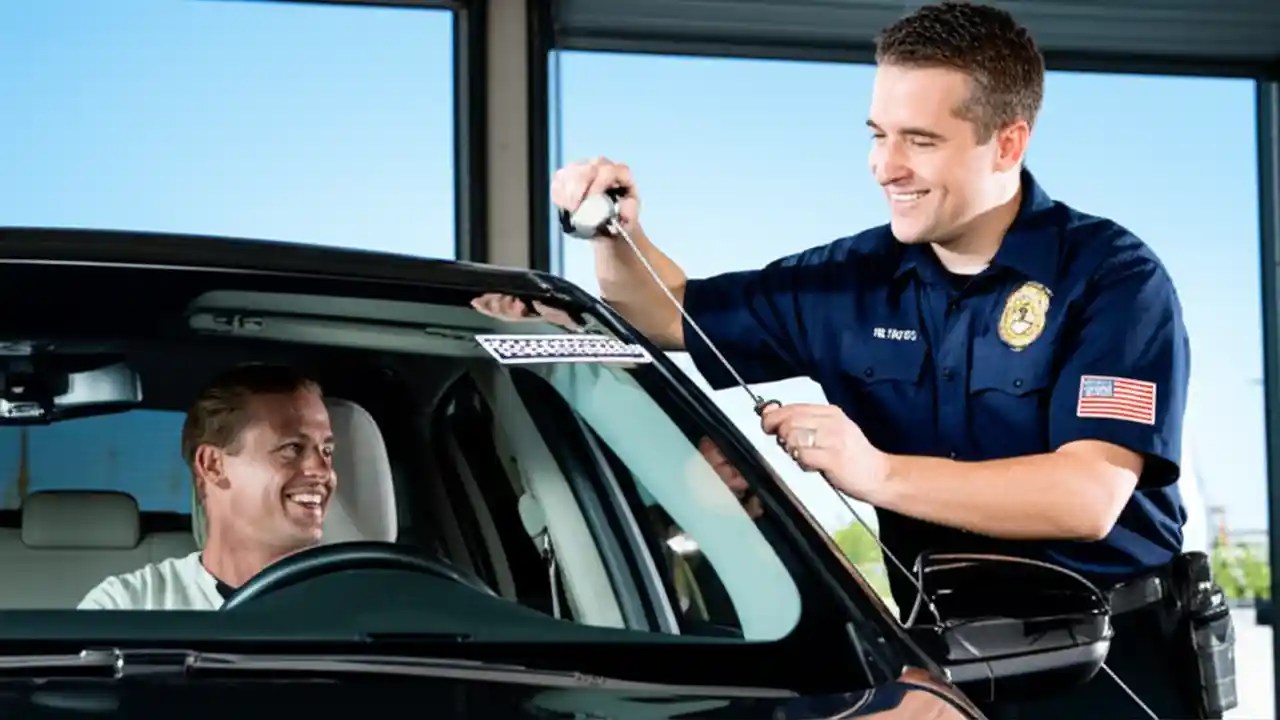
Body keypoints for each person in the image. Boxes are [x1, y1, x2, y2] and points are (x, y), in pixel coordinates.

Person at [550, 2, 1215, 718]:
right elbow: (662, 313)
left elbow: (1086, 499)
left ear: (1007, 143)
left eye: (920, 141)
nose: (885, 167)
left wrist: (875, 472)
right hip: (940, 669)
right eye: (878, 135)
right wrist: (612, 231)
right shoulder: (848, 280)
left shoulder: (1113, 279)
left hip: (1112, 673)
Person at [78, 364, 336, 611]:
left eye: (326, 450)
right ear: (213, 465)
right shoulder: (127, 607)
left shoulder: (349, 605)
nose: (324, 471)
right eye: (292, 448)